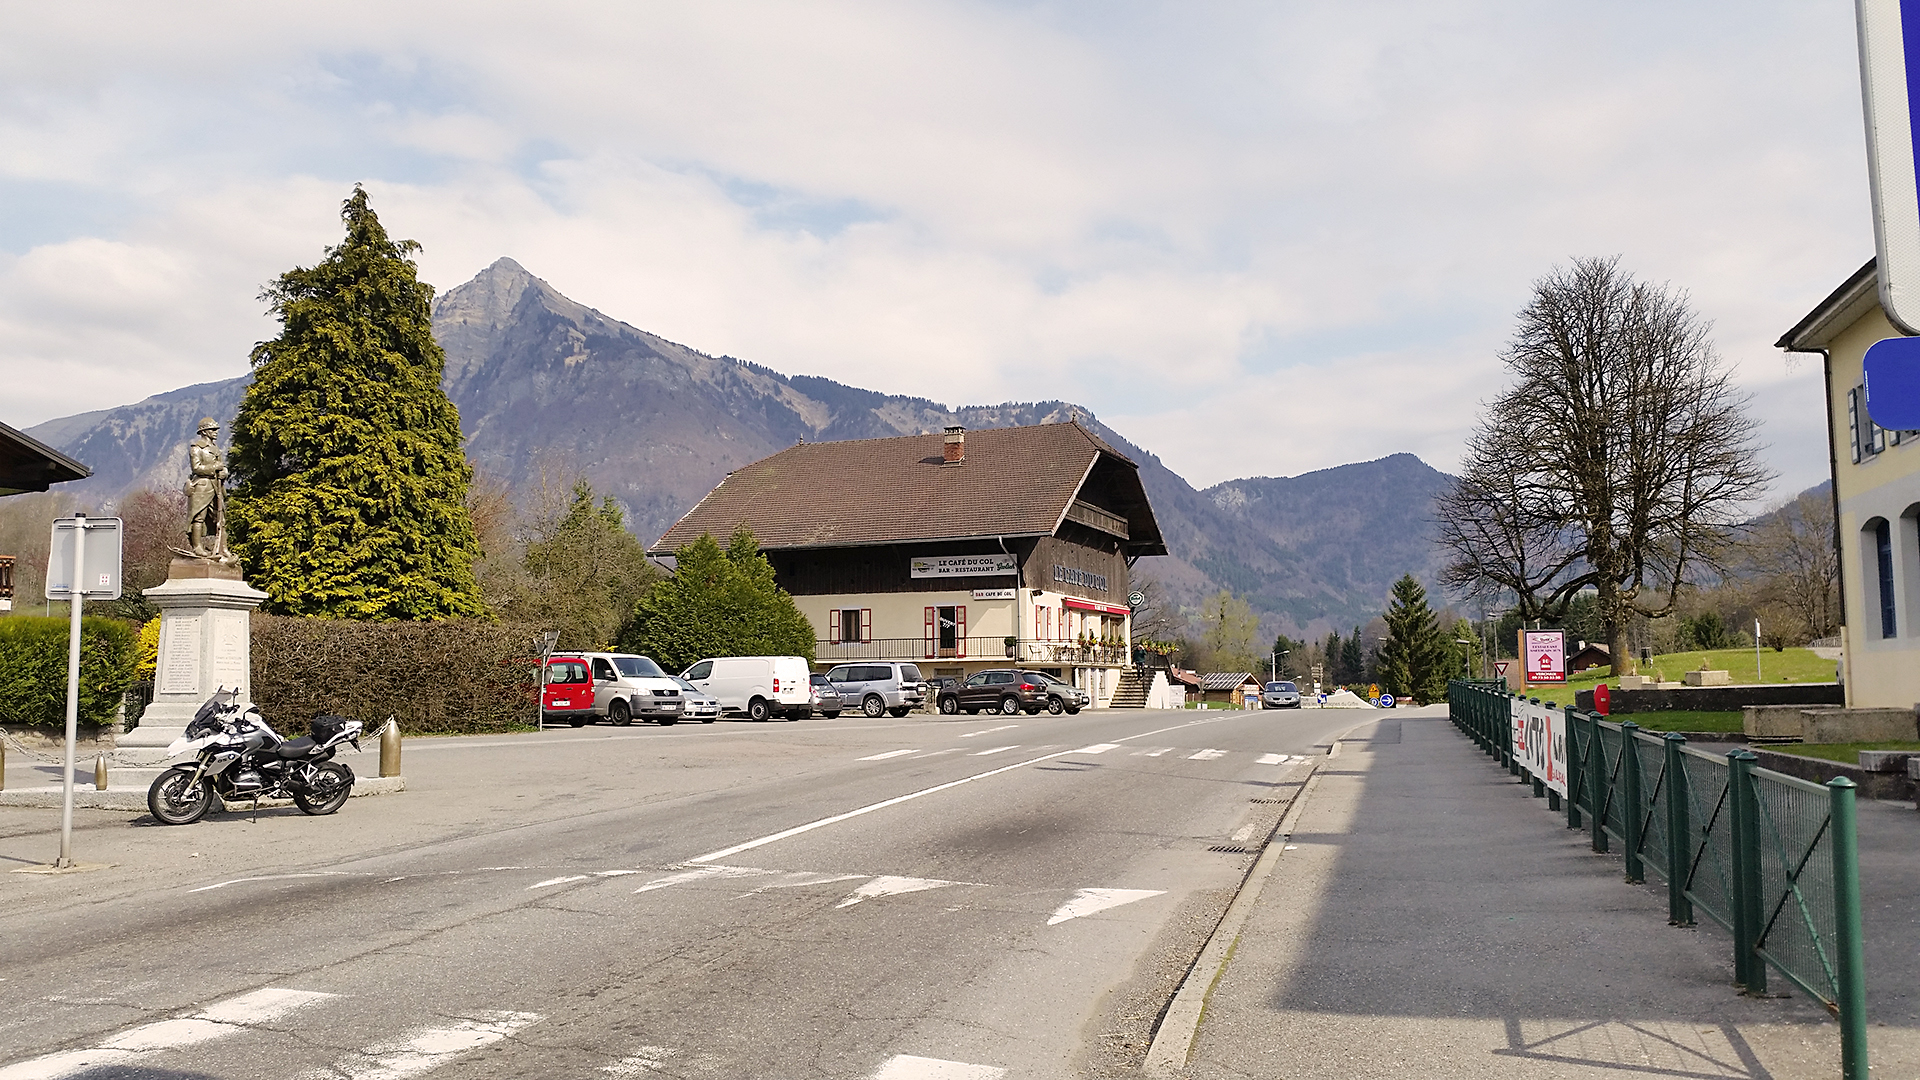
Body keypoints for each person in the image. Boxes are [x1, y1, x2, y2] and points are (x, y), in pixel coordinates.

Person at [185, 417, 231, 560]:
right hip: (202, 486)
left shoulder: (216, 449)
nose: (216, 432)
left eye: (216, 430)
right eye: (212, 430)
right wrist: (214, 468)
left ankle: (223, 548)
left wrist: (224, 473)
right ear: (204, 432)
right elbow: (197, 468)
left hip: (216, 486)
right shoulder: (197, 448)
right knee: (199, 517)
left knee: (220, 518)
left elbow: (222, 466)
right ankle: (197, 547)